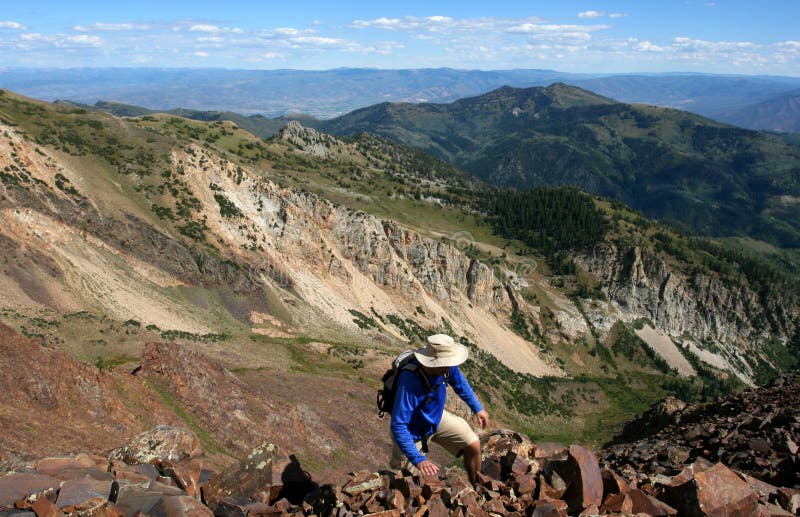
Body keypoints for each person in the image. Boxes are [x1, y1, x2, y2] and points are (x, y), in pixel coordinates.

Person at [389, 333, 490, 484]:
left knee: (473, 444)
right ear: (434, 362)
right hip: (412, 431)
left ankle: (477, 487)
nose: (450, 366)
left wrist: (478, 408)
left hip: (435, 418)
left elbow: (460, 383)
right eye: (446, 364)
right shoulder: (409, 382)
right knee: (411, 483)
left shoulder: (446, 366)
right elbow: (398, 425)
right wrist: (419, 459)